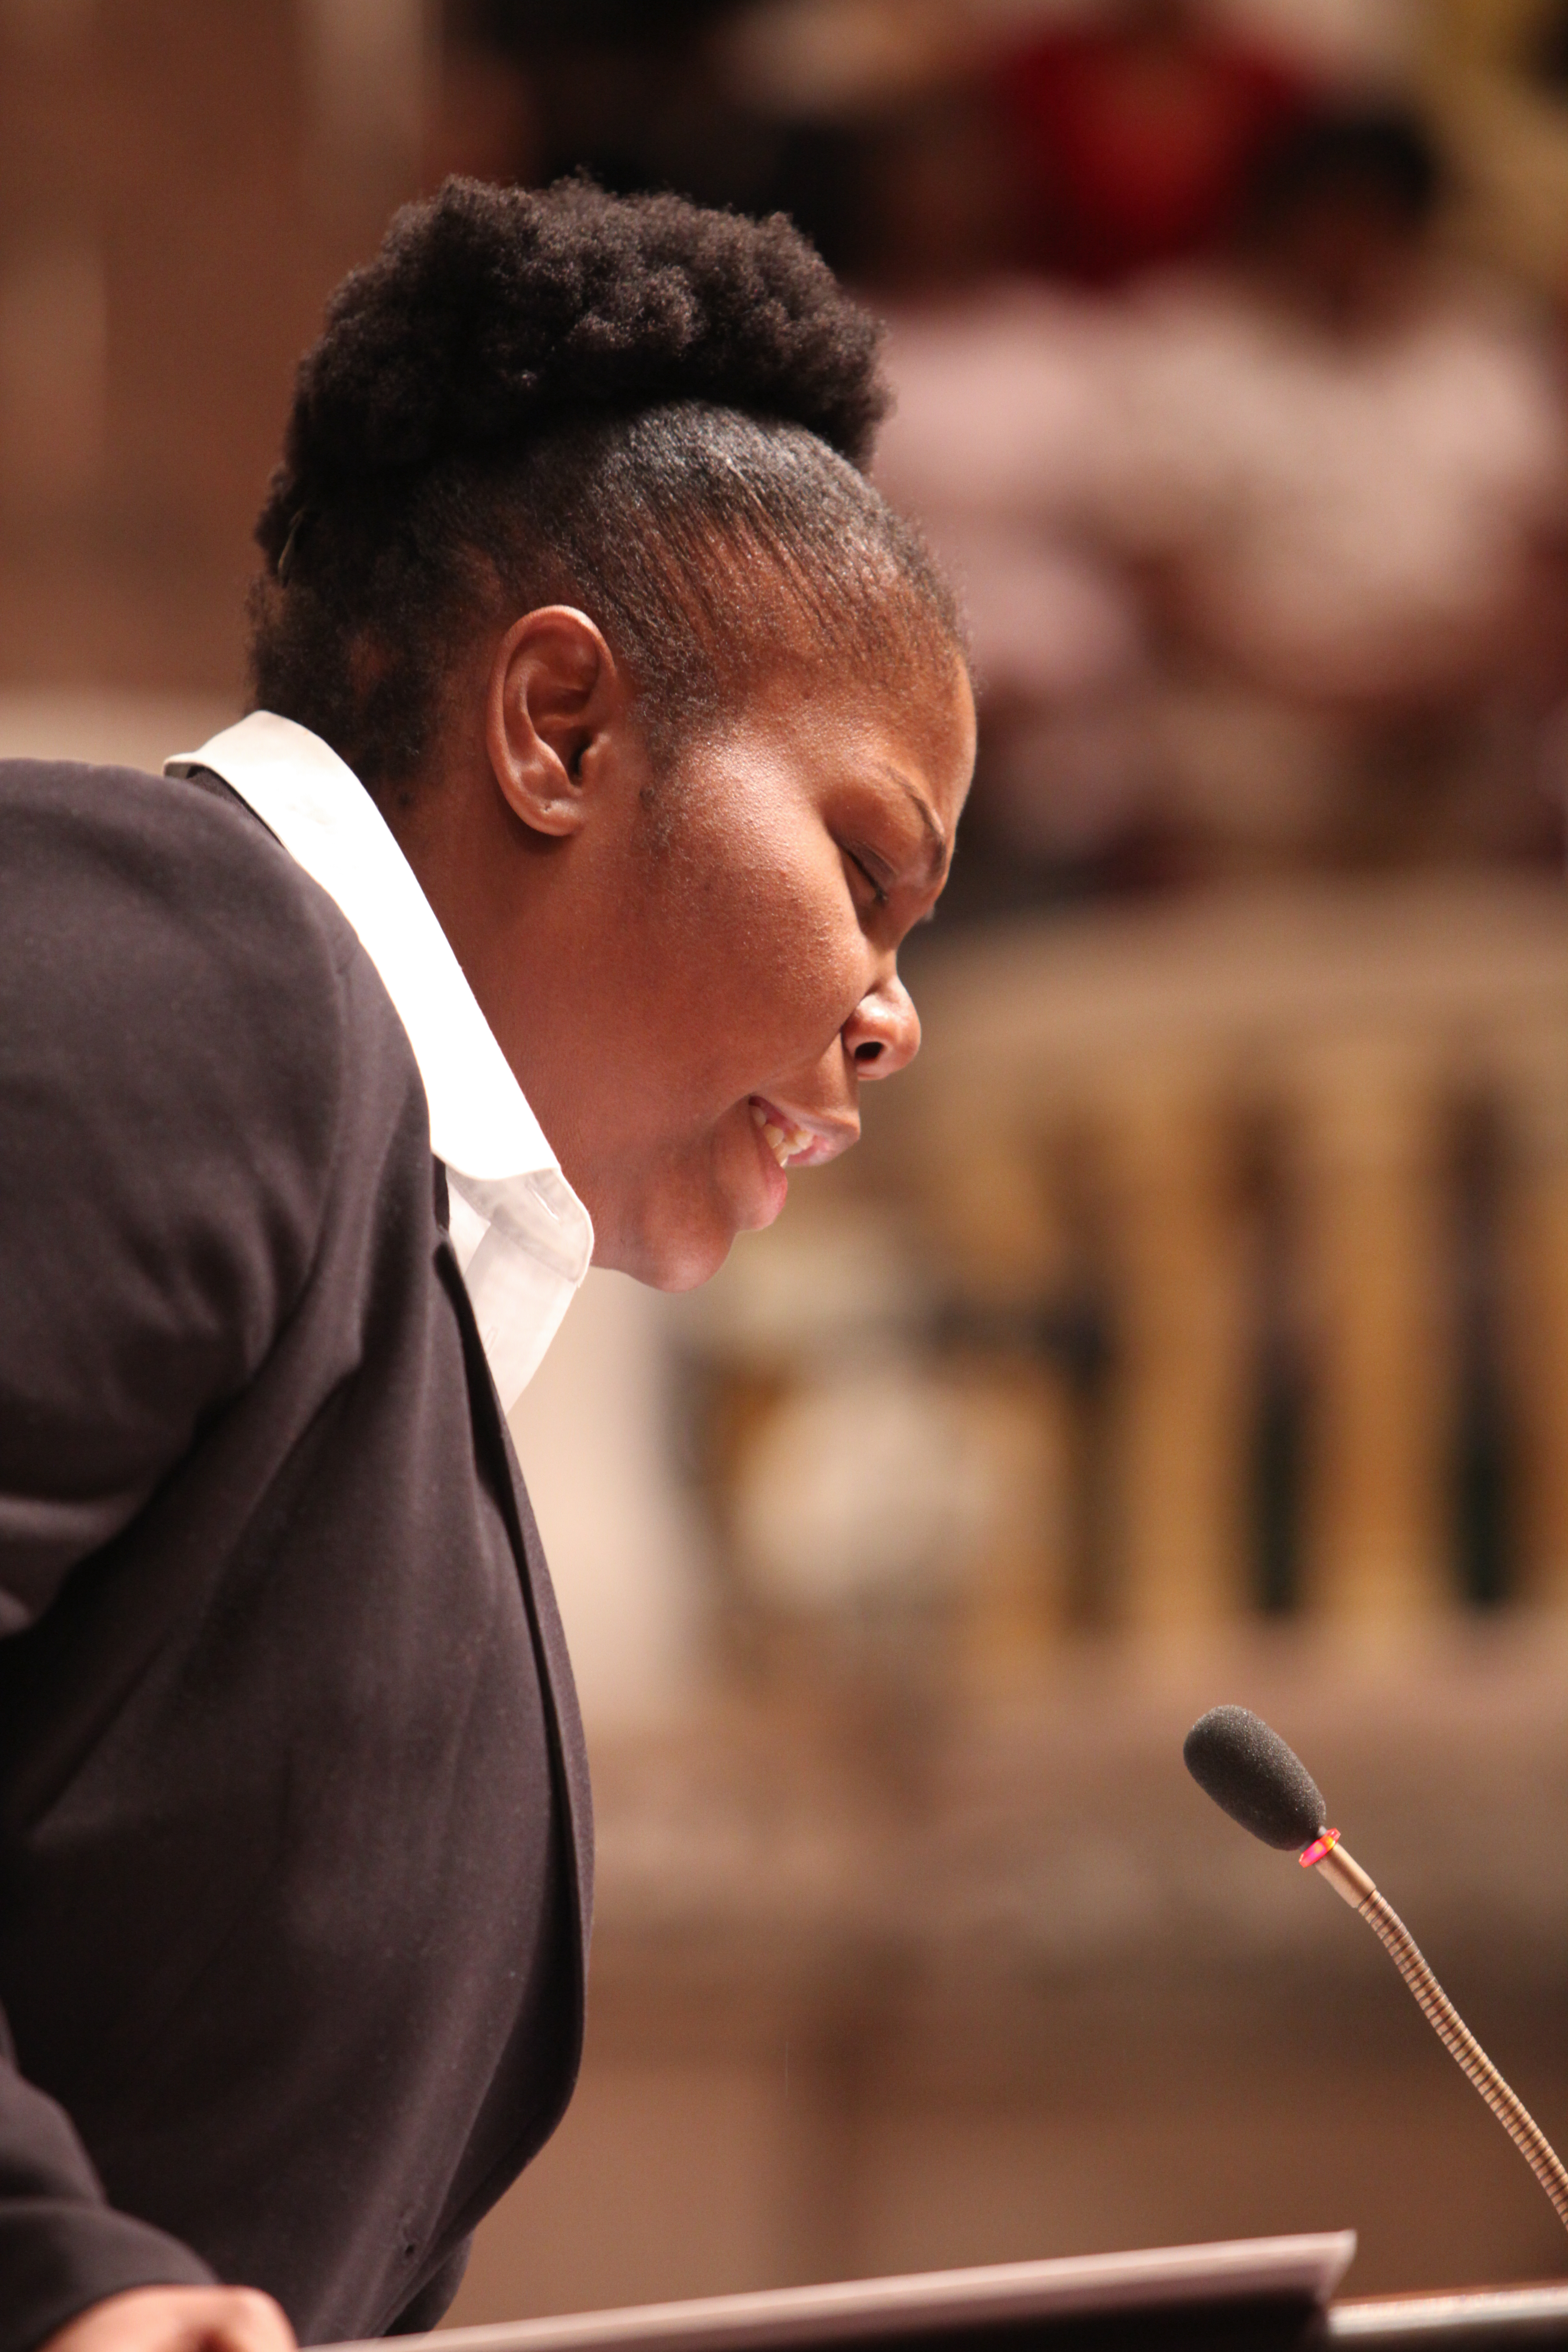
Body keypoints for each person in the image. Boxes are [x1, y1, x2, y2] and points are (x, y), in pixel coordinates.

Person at [0, 179, 975, 2352]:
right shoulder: (198, 955)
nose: (895, 1018)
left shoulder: (412, 1349)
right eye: (866, 872)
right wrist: (56, 2275)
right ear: (560, 732)